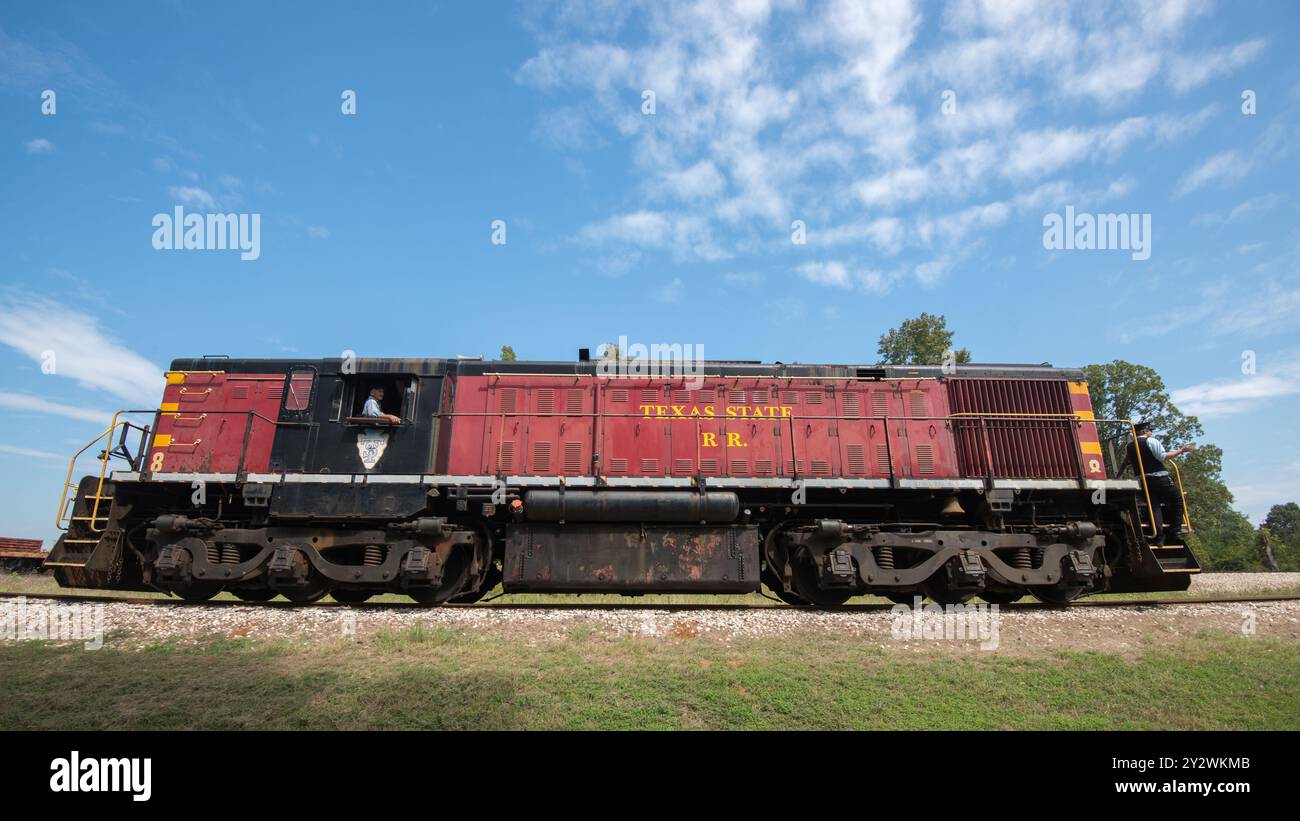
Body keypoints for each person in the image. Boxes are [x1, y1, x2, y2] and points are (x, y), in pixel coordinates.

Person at [1125, 420, 1194, 545]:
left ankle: (1159, 537)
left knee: (1154, 507)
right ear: (1145, 431)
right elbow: (1163, 457)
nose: (1151, 432)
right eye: (1150, 430)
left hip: (1143, 481)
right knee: (1178, 500)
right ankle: (1175, 531)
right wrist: (1181, 450)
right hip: (1160, 479)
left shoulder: (1129, 446)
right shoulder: (1151, 441)